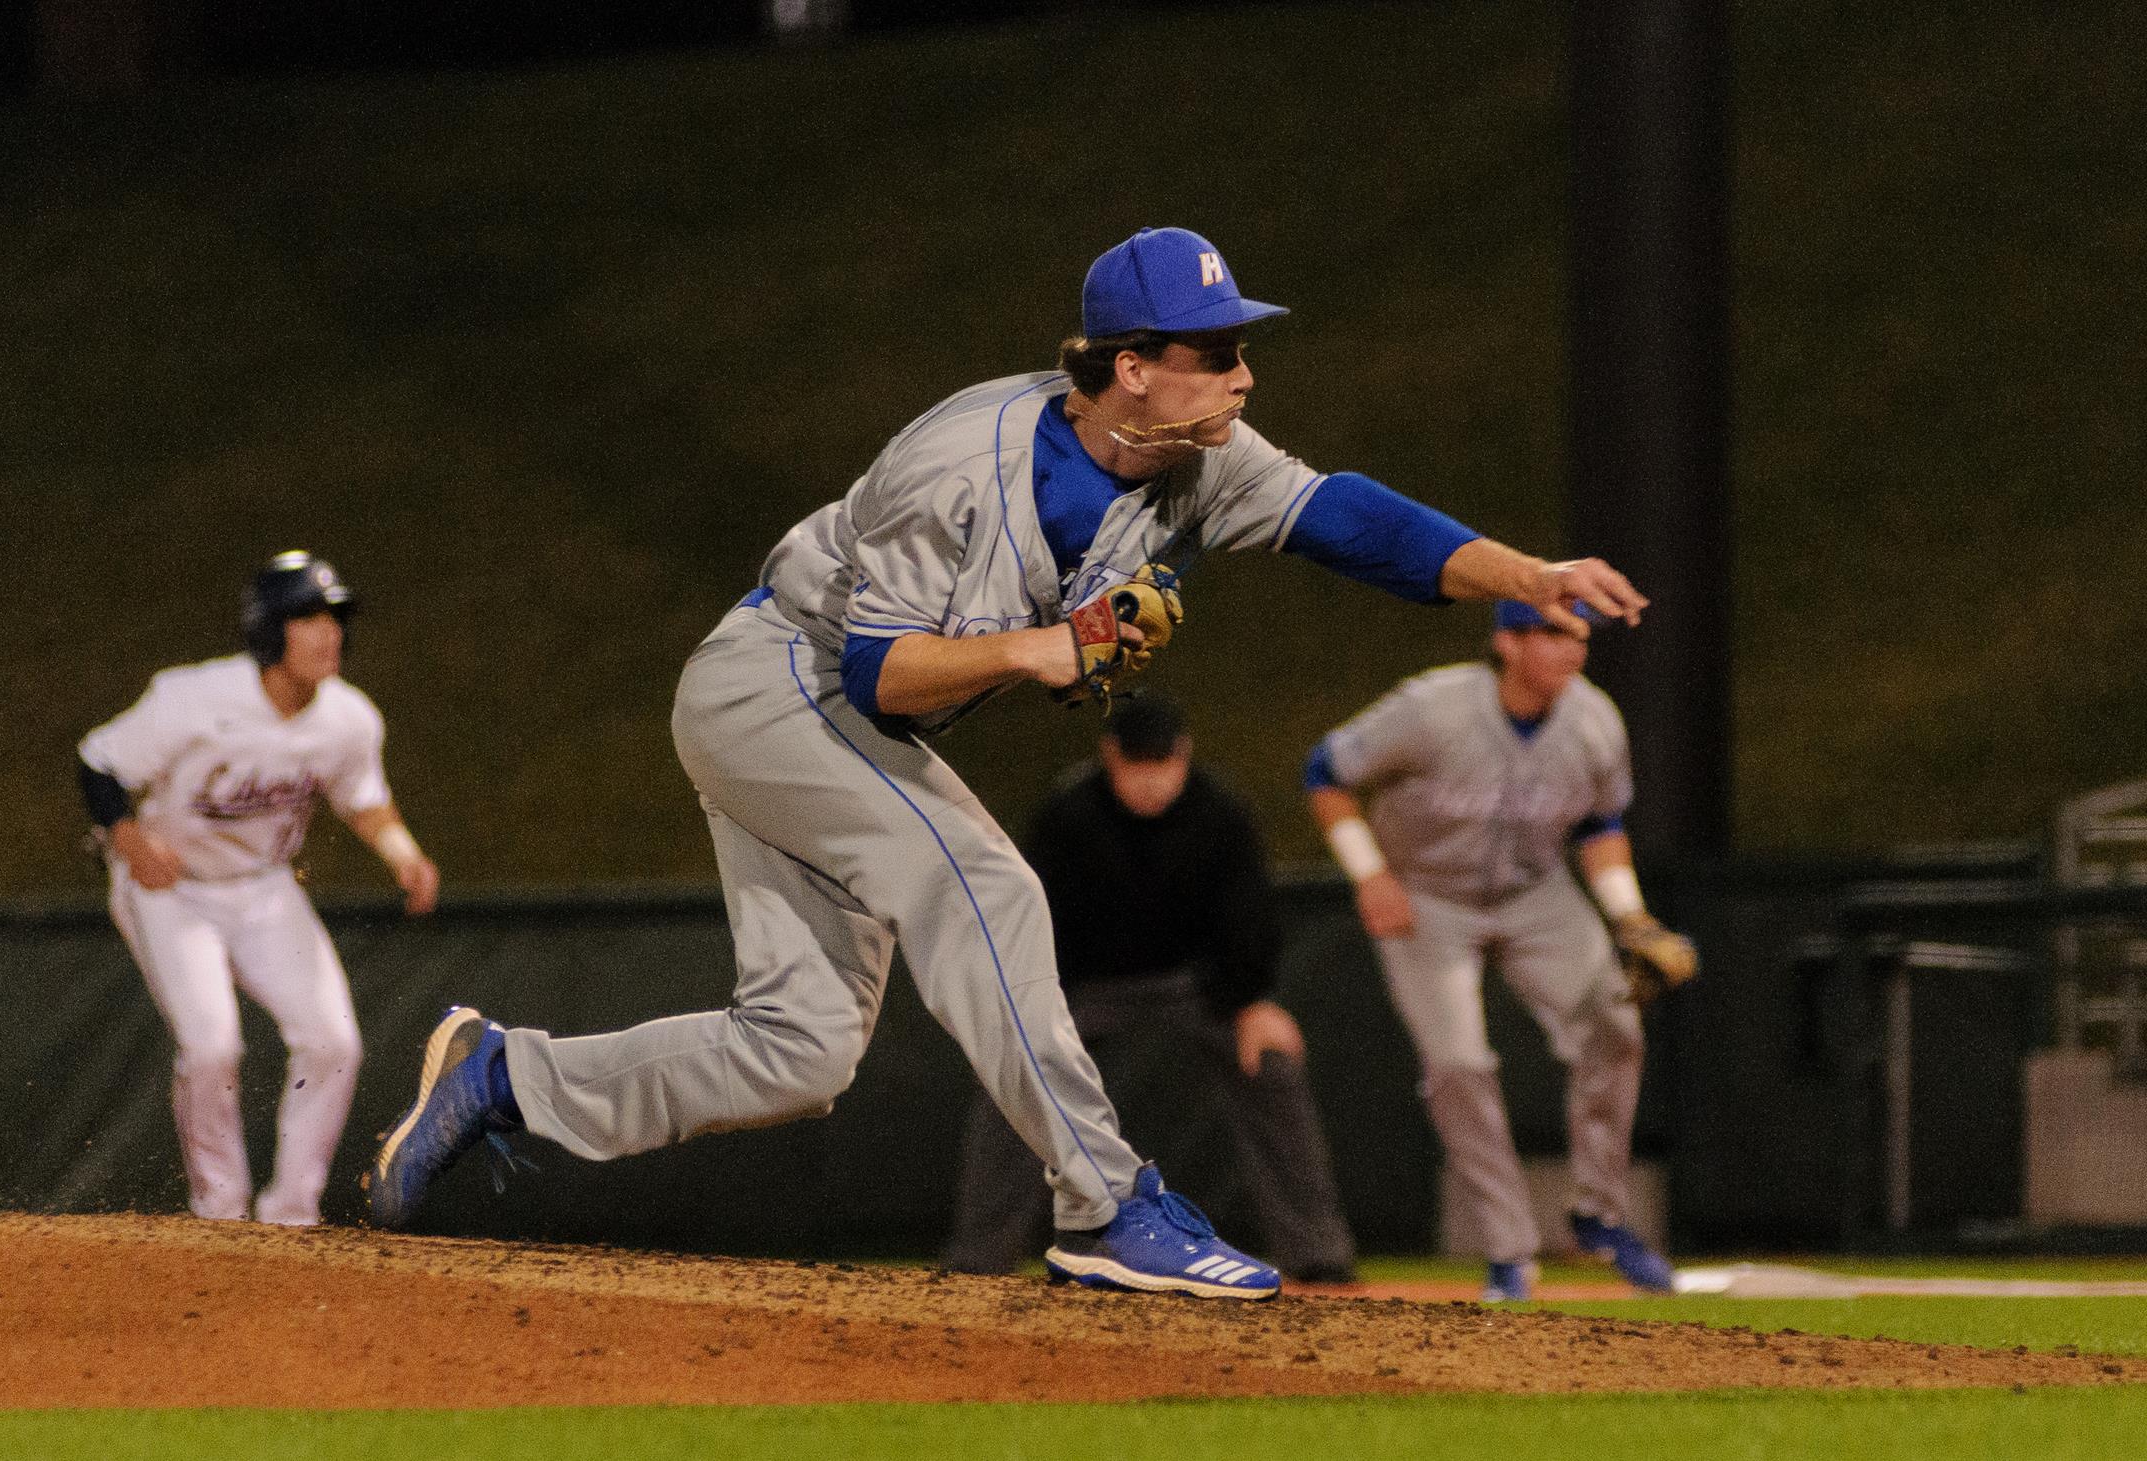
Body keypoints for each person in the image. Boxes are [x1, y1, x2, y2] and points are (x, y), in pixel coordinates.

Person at [365, 225, 1645, 1300]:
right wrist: (1046, 649)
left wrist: (1523, 574)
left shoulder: (1201, 461)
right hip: (784, 686)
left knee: (798, 1051)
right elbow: (881, 673)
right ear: (1133, 369)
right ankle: (1103, 1208)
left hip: (842, 720)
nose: (1244, 373)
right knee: (989, 886)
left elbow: (1351, 519)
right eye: (1216, 352)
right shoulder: (965, 467)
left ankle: (505, 1077)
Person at [1304, 599, 1695, 1302]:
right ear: (1507, 641)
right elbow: (1325, 771)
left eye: (1579, 634)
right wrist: (1369, 873)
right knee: (1457, 1063)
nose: (1572, 648)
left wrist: (1629, 916)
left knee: (1617, 1028)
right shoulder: (1433, 708)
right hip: (1425, 894)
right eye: (1552, 631)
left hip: (1536, 890)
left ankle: (1600, 1216)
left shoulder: (1595, 719)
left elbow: (1602, 824)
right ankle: (1509, 1249)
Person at [77, 551, 441, 1226]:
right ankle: (220, 1211)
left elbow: (362, 798)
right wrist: (130, 842)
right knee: (214, 1046)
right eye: (307, 616)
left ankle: (291, 1213)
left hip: (266, 888)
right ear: (270, 630)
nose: (327, 631)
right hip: (172, 891)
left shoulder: (348, 718)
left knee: (333, 1043)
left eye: (334, 616)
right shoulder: (195, 698)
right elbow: (98, 761)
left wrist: (403, 852)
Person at [940, 696, 1358, 1283]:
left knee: (1272, 1064)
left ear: (1184, 756)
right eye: (1139, 763)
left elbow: (1249, 916)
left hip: (1197, 989)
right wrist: (1034, 1011)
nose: (1153, 778)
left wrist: (1253, 1000)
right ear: (1111, 758)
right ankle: (978, 1260)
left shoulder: (1220, 813)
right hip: (1085, 991)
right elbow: (1031, 920)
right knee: (1017, 1079)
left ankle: (1319, 1257)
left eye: (1165, 762)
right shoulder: (1069, 814)